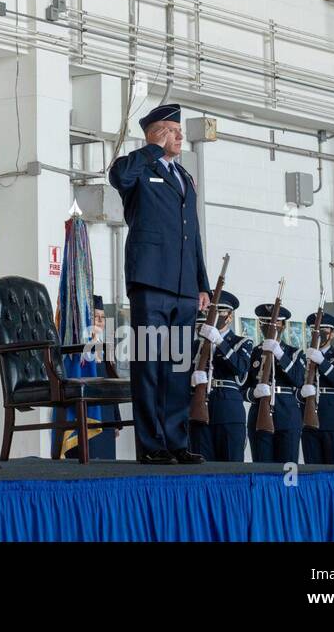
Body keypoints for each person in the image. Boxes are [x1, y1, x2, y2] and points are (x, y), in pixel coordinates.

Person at [108, 103, 210, 465]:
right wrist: (152, 147)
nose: (179, 136)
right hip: (150, 281)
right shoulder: (137, 168)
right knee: (150, 364)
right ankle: (152, 445)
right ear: (153, 132)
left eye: (180, 130)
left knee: (177, 366)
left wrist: (202, 283)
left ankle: (175, 442)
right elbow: (118, 177)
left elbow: (192, 234)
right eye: (171, 129)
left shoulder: (185, 178)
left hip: (183, 286)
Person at [186, 290, 252, 462]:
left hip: (228, 411)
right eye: (209, 311)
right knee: (202, 465)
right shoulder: (195, 345)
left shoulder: (241, 342)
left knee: (231, 465)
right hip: (200, 408)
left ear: (229, 316)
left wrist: (219, 342)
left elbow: (241, 368)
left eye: (219, 311)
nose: (212, 315)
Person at [62, 295, 122, 460]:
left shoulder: (107, 349)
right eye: (95, 317)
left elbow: (113, 385)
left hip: (106, 416)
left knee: (107, 464)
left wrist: (116, 421)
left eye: (102, 318)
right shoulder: (78, 348)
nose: (99, 321)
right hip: (87, 414)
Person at [244, 304, 305, 463]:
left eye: (275, 323)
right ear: (260, 325)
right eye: (265, 322)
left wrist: (279, 354)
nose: (270, 326)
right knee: (262, 468)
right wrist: (253, 393)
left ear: (283, 325)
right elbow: (242, 387)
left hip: (287, 416)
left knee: (288, 469)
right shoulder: (254, 352)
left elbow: (298, 379)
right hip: (259, 414)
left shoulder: (294, 353)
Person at [299, 312, 334, 465]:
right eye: (315, 331)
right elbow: (296, 384)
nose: (319, 335)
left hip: (333, 420)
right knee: (312, 470)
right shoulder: (304, 357)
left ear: (332, 335)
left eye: (324, 330)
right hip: (308, 418)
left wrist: (322, 362)